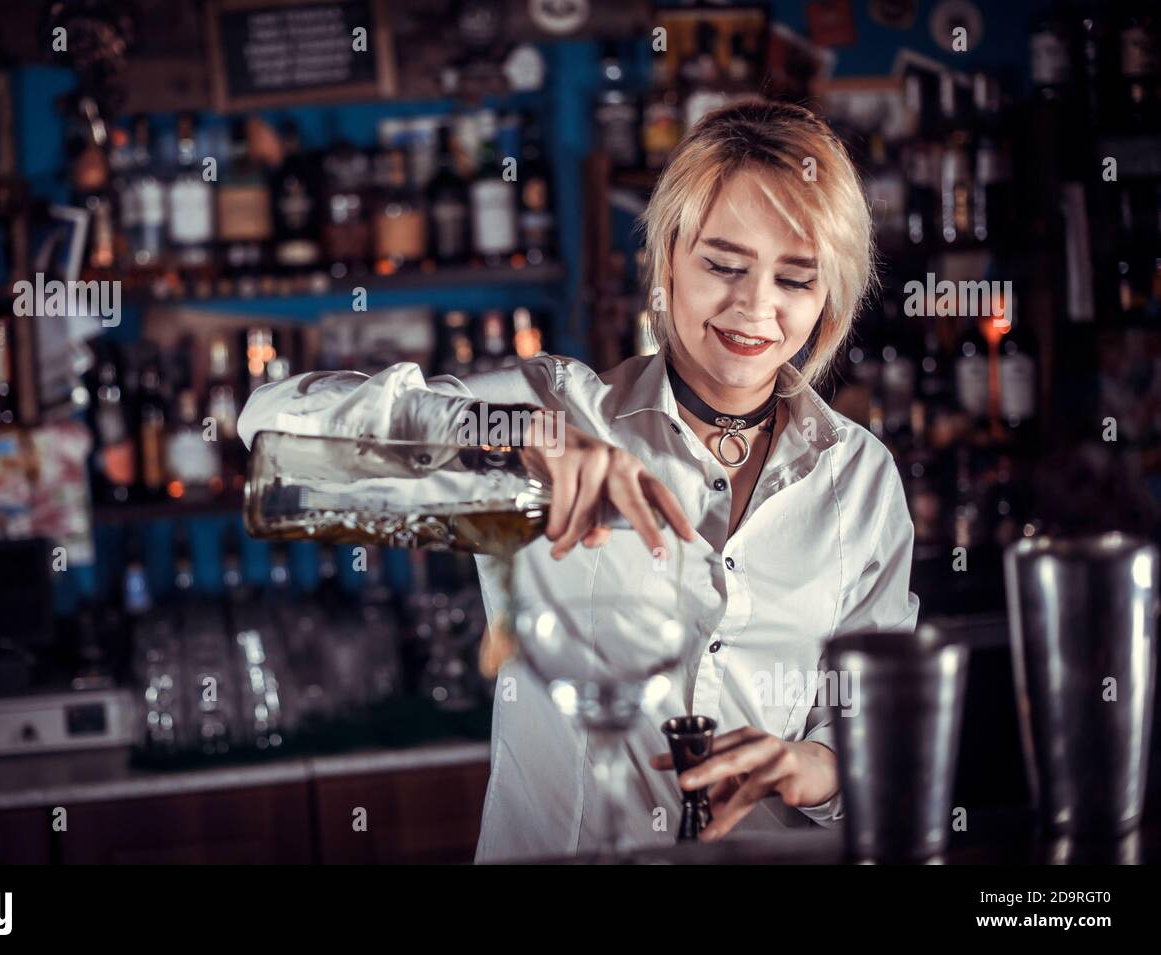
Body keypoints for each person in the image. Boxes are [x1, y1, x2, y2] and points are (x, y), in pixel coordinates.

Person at [238, 100, 919, 861]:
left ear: (830, 297)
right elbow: (272, 427)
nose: (755, 306)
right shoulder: (559, 409)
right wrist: (516, 442)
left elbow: (880, 732)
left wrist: (811, 765)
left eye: (796, 278)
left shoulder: (859, 478)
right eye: (723, 264)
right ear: (667, 262)